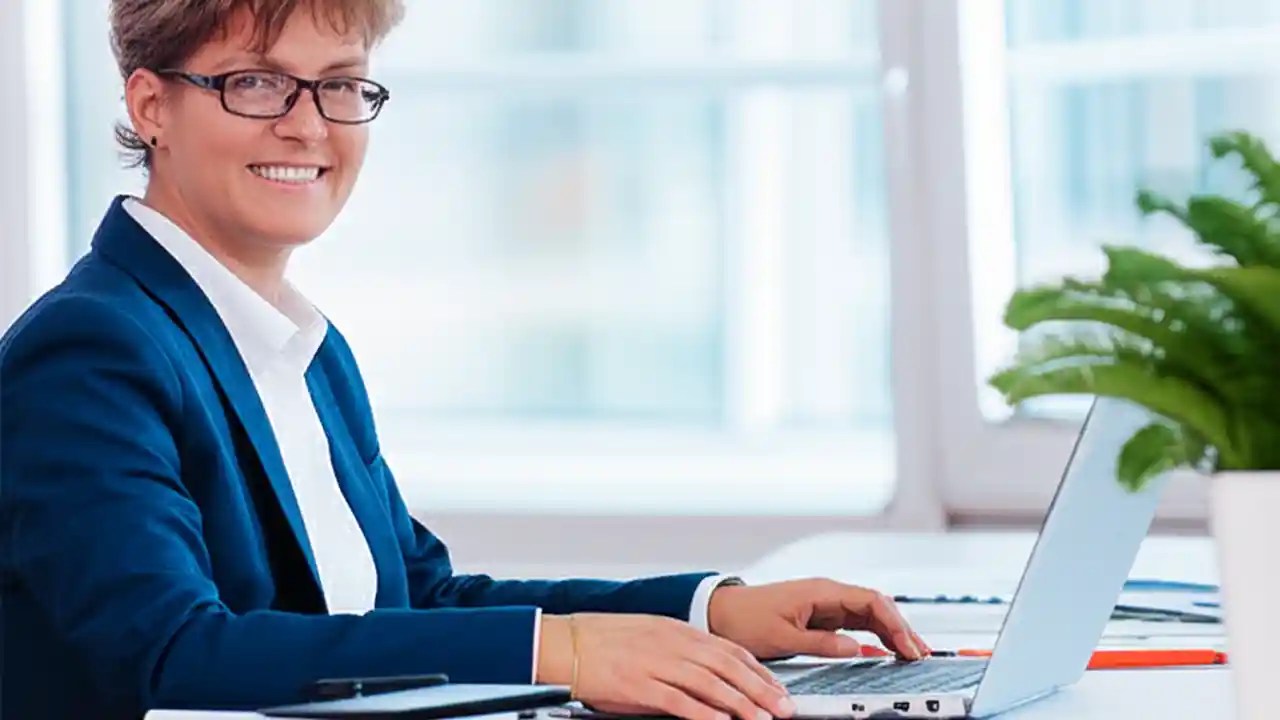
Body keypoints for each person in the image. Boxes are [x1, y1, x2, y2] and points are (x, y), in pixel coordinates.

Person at [0, 2, 929, 719]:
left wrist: (708, 613)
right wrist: (558, 654)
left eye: (340, 83)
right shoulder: (91, 351)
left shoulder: (297, 347)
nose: (308, 124)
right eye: (257, 83)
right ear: (149, 102)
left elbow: (422, 596)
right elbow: (173, 657)